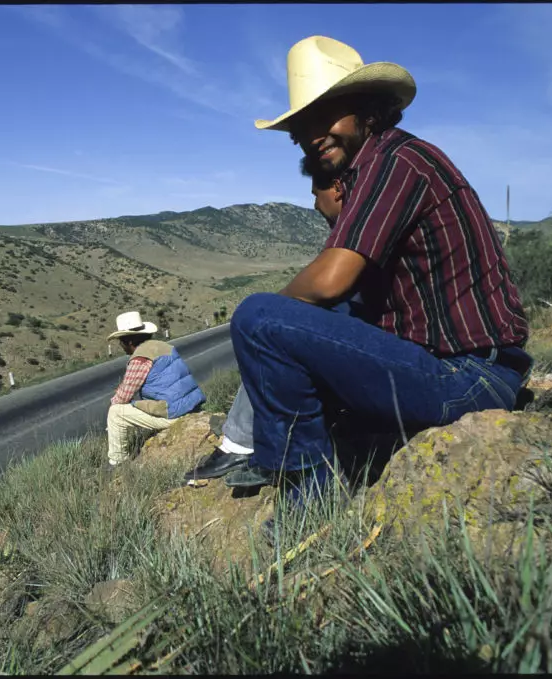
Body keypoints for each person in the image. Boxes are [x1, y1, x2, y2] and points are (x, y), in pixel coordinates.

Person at [219, 35, 531, 505]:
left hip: (469, 379)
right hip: (459, 370)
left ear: (368, 110)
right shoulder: (381, 166)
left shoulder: (396, 161)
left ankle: (310, 499)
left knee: (259, 317)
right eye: (301, 127)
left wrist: (270, 325)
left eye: (326, 115)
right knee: (323, 319)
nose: (312, 136)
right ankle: (278, 454)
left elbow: (327, 282)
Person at [184, 157, 351, 486]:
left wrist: (276, 308)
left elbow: (327, 285)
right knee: (279, 332)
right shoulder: (353, 227)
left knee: (267, 332)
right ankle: (251, 431)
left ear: (337, 188)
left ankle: (242, 445)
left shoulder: (356, 227)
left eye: (316, 194)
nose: (314, 204)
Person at [106, 311, 207, 466]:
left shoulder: (140, 358)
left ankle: (117, 462)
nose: (121, 346)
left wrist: (115, 401)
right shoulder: (165, 346)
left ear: (130, 341)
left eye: (122, 341)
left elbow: (123, 396)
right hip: (192, 406)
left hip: (174, 414)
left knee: (116, 413)